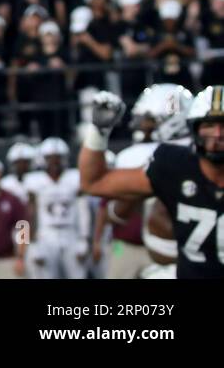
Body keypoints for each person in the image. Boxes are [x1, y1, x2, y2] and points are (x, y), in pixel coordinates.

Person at [79, 86, 224, 278]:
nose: (218, 134)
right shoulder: (174, 164)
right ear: (193, 127)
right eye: (209, 125)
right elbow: (95, 182)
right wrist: (98, 132)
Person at [101, 83, 193, 278]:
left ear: (168, 119)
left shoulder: (140, 156)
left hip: (164, 245)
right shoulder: (198, 154)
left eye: (148, 119)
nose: (142, 125)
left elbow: (115, 211)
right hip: (189, 250)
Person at [24, 137, 89, 278]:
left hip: (71, 233)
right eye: (50, 158)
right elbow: (28, 215)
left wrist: (84, 239)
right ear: (42, 159)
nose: (54, 162)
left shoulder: (74, 177)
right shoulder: (33, 180)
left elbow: (84, 211)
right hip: (46, 235)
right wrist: (31, 244)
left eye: (58, 158)